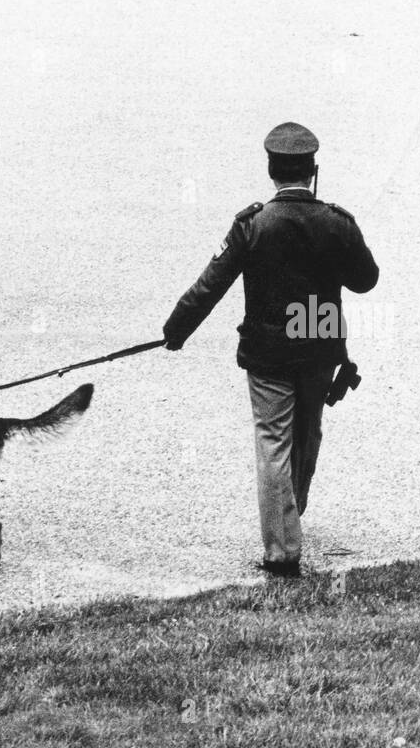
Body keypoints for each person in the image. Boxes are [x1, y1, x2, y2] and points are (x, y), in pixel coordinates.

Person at [162, 122, 380, 576]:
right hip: (319, 343)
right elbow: (366, 280)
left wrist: (177, 328)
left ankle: (281, 549)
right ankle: (291, 512)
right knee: (308, 432)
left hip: (268, 353)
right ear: (313, 169)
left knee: (273, 440)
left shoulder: (252, 225)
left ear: (271, 169)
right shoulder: (336, 222)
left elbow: (210, 284)